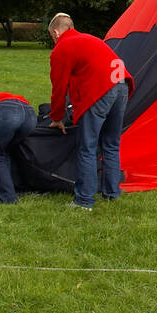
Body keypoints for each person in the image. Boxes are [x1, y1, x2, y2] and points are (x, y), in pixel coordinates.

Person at [47, 12, 133, 210]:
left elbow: (58, 87)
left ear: (56, 32)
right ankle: (111, 193)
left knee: (88, 147)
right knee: (111, 144)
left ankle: (84, 200)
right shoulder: (89, 39)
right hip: (121, 85)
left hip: (101, 90)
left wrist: (57, 117)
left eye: (52, 37)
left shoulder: (63, 47)